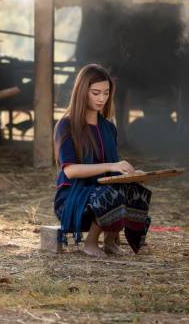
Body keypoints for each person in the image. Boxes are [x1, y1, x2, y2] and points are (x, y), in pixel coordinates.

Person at [53, 63, 152, 257]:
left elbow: (112, 173)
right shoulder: (66, 125)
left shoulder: (108, 128)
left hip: (101, 194)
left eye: (106, 93)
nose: (102, 99)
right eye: (95, 93)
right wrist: (112, 165)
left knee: (135, 190)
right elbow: (70, 171)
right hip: (73, 199)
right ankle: (90, 243)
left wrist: (131, 176)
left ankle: (110, 240)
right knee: (110, 192)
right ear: (82, 92)